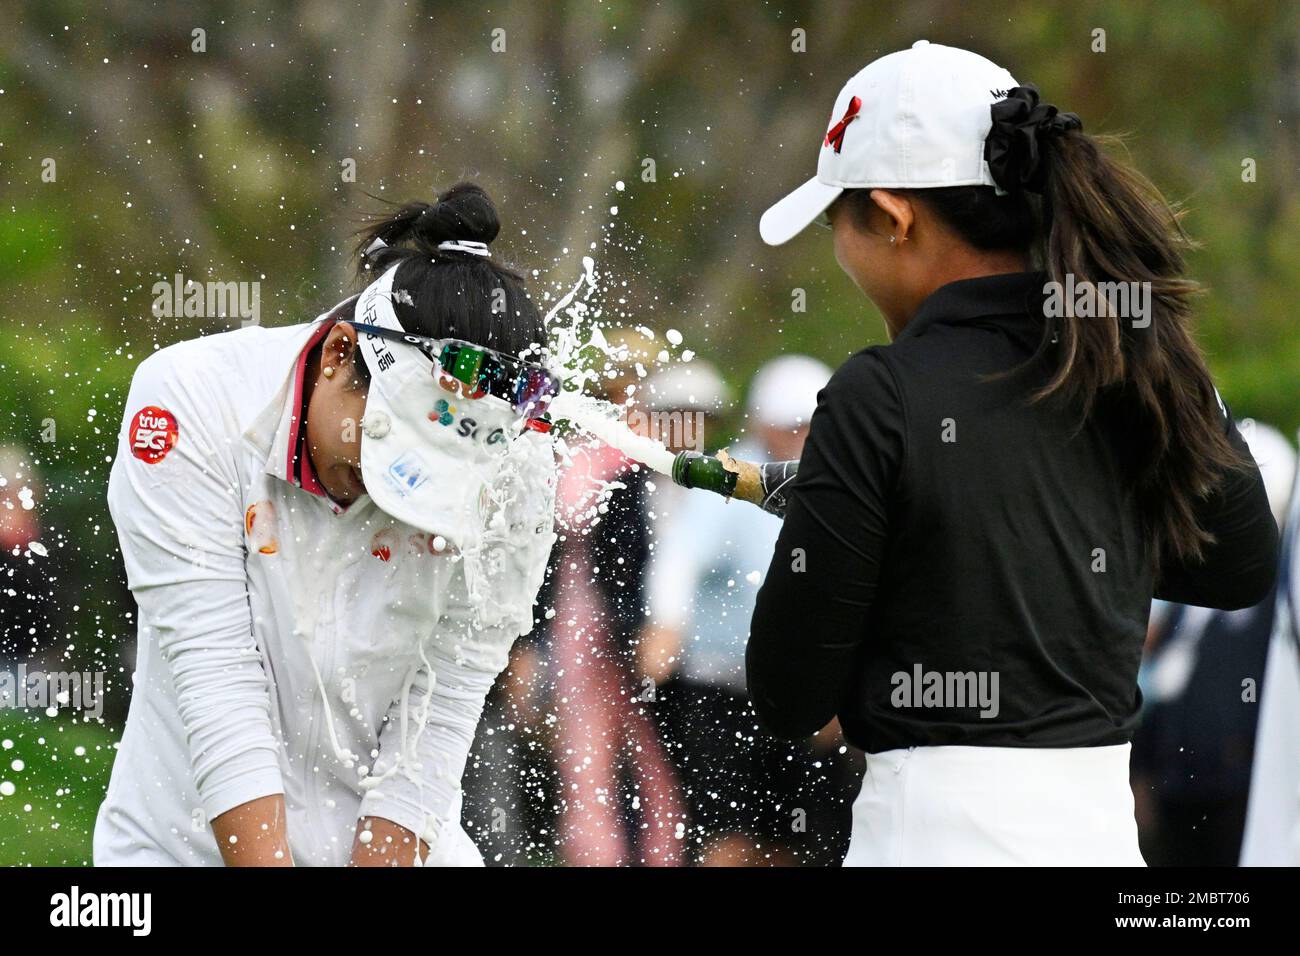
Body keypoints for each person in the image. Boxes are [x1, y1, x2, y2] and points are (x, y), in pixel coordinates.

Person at [747, 41, 1279, 866]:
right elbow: (1237, 565)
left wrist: (865, 532)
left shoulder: (877, 393)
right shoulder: (1133, 358)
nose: (837, 248)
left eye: (836, 220)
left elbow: (787, 692)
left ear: (893, 217)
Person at [94, 183, 558, 866]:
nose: (397, 497)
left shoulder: (517, 474)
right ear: (340, 354)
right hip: (181, 845)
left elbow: (441, 711)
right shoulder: (188, 401)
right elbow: (215, 674)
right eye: (393, 454)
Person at [643, 356, 859, 865]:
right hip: (720, 689)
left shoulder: (845, 486)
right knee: (727, 838)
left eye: (809, 426)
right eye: (790, 426)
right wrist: (665, 625)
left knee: (802, 842)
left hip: (803, 695)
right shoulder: (731, 477)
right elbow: (679, 557)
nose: (800, 437)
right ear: (762, 423)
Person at [1131, 421, 1296, 864]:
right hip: (1177, 783)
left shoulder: (1274, 596)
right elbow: (1166, 676)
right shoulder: (1197, 590)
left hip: (1236, 787)